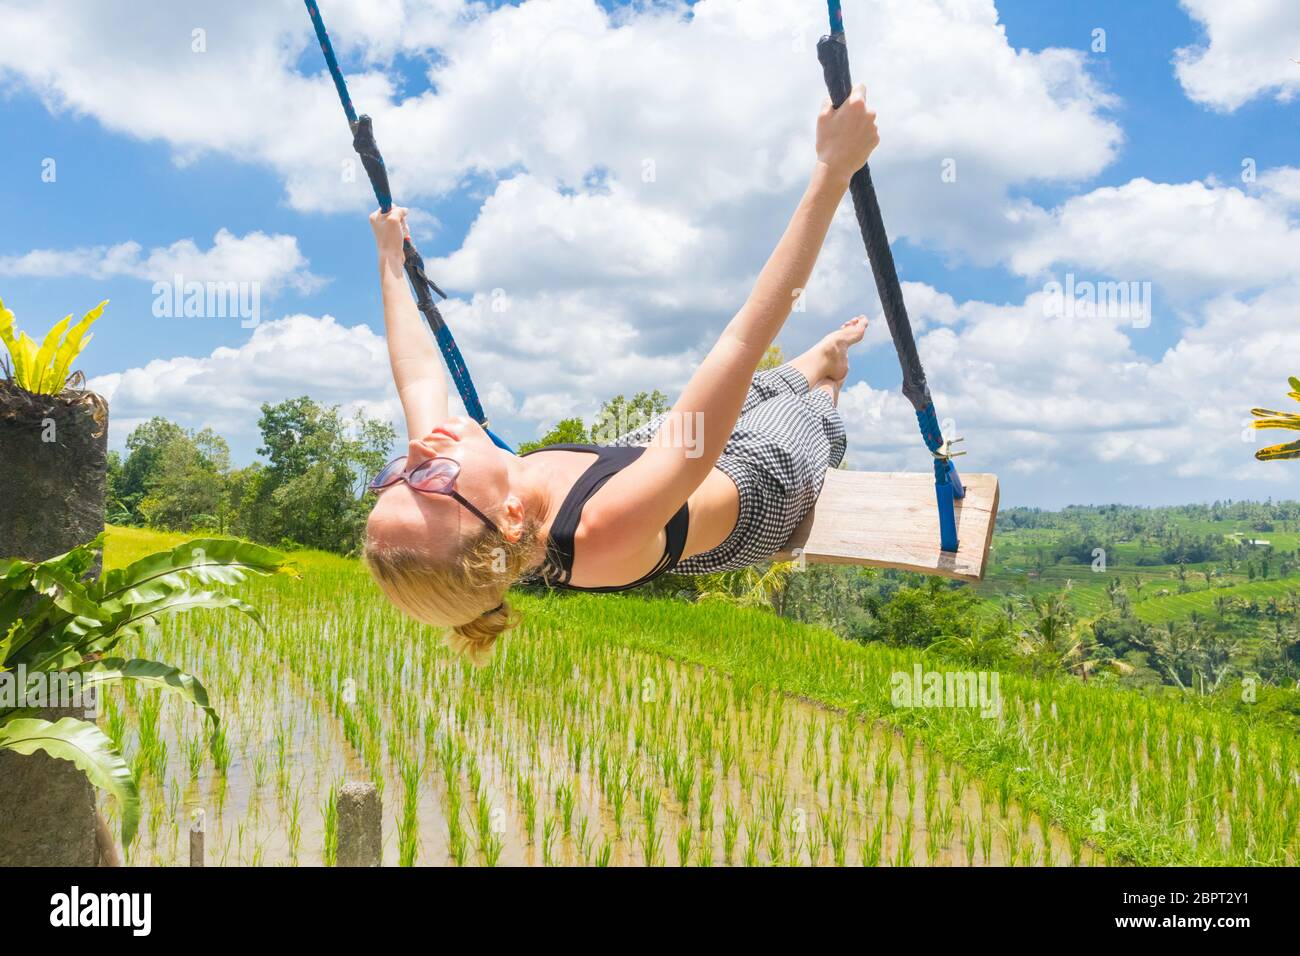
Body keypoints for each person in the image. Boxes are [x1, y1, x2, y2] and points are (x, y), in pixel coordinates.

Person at [365, 85, 879, 662]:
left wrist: (389, 257)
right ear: (510, 519)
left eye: (392, 477)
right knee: (798, 409)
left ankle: (815, 361)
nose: (415, 451)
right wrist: (834, 169)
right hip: (760, 491)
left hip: (646, 461)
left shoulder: (465, 483)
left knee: (751, 390)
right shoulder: (600, 531)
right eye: (428, 482)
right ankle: (828, 375)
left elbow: (415, 374)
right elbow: (741, 342)